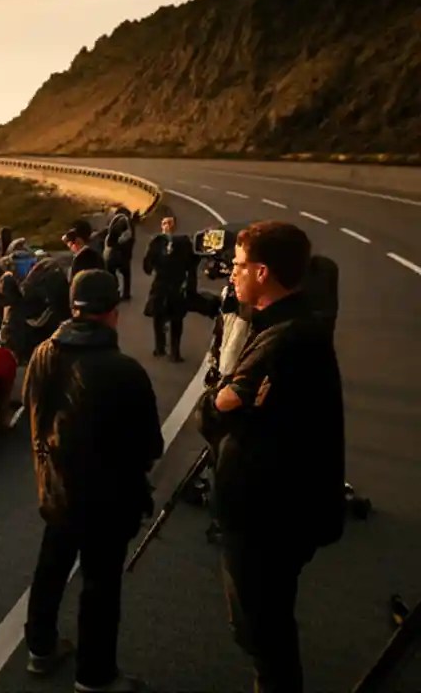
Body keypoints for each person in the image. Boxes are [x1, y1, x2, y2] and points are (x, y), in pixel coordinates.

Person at [197, 221, 344, 693]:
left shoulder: (285, 339)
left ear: (263, 272)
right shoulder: (296, 326)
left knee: (262, 634)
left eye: (238, 266)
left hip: (266, 518)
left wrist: (215, 402)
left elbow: (217, 409)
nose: (231, 274)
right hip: (280, 508)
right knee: (267, 623)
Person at [21, 270, 163, 692]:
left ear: (72, 307)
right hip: (107, 500)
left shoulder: (44, 354)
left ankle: (41, 649)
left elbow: (35, 412)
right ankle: (94, 675)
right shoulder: (124, 371)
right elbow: (150, 445)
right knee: (100, 587)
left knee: (50, 569)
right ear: (113, 314)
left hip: (55, 488)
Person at [142, 214, 198, 362]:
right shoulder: (156, 242)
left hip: (177, 284)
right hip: (160, 283)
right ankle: (159, 347)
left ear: (175, 226)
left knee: (176, 319)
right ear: (161, 226)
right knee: (157, 316)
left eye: (170, 223)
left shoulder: (184, 242)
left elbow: (192, 265)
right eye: (165, 223)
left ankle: (175, 351)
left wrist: (191, 286)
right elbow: (147, 264)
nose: (167, 226)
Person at [103, 207, 136, 300]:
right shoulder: (129, 223)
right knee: (126, 274)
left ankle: (115, 291)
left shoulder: (120, 220)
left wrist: (110, 244)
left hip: (116, 252)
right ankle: (126, 293)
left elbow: (112, 233)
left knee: (111, 271)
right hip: (125, 253)